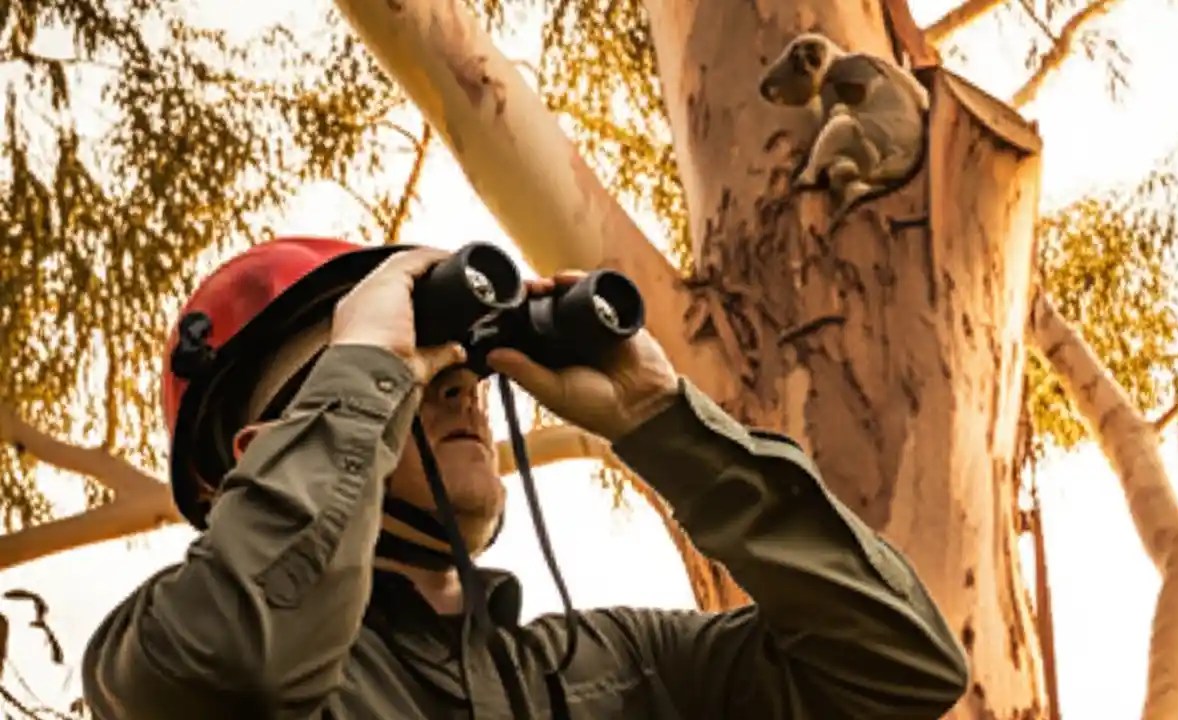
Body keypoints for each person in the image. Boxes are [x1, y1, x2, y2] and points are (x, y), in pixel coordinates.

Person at [81, 237, 969, 720]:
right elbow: (242, 666)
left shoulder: (617, 669)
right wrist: (370, 367)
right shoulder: (156, 658)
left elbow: (898, 672)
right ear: (261, 449)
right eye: (407, 367)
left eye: (458, 365)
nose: (455, 385)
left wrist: (663, 423)